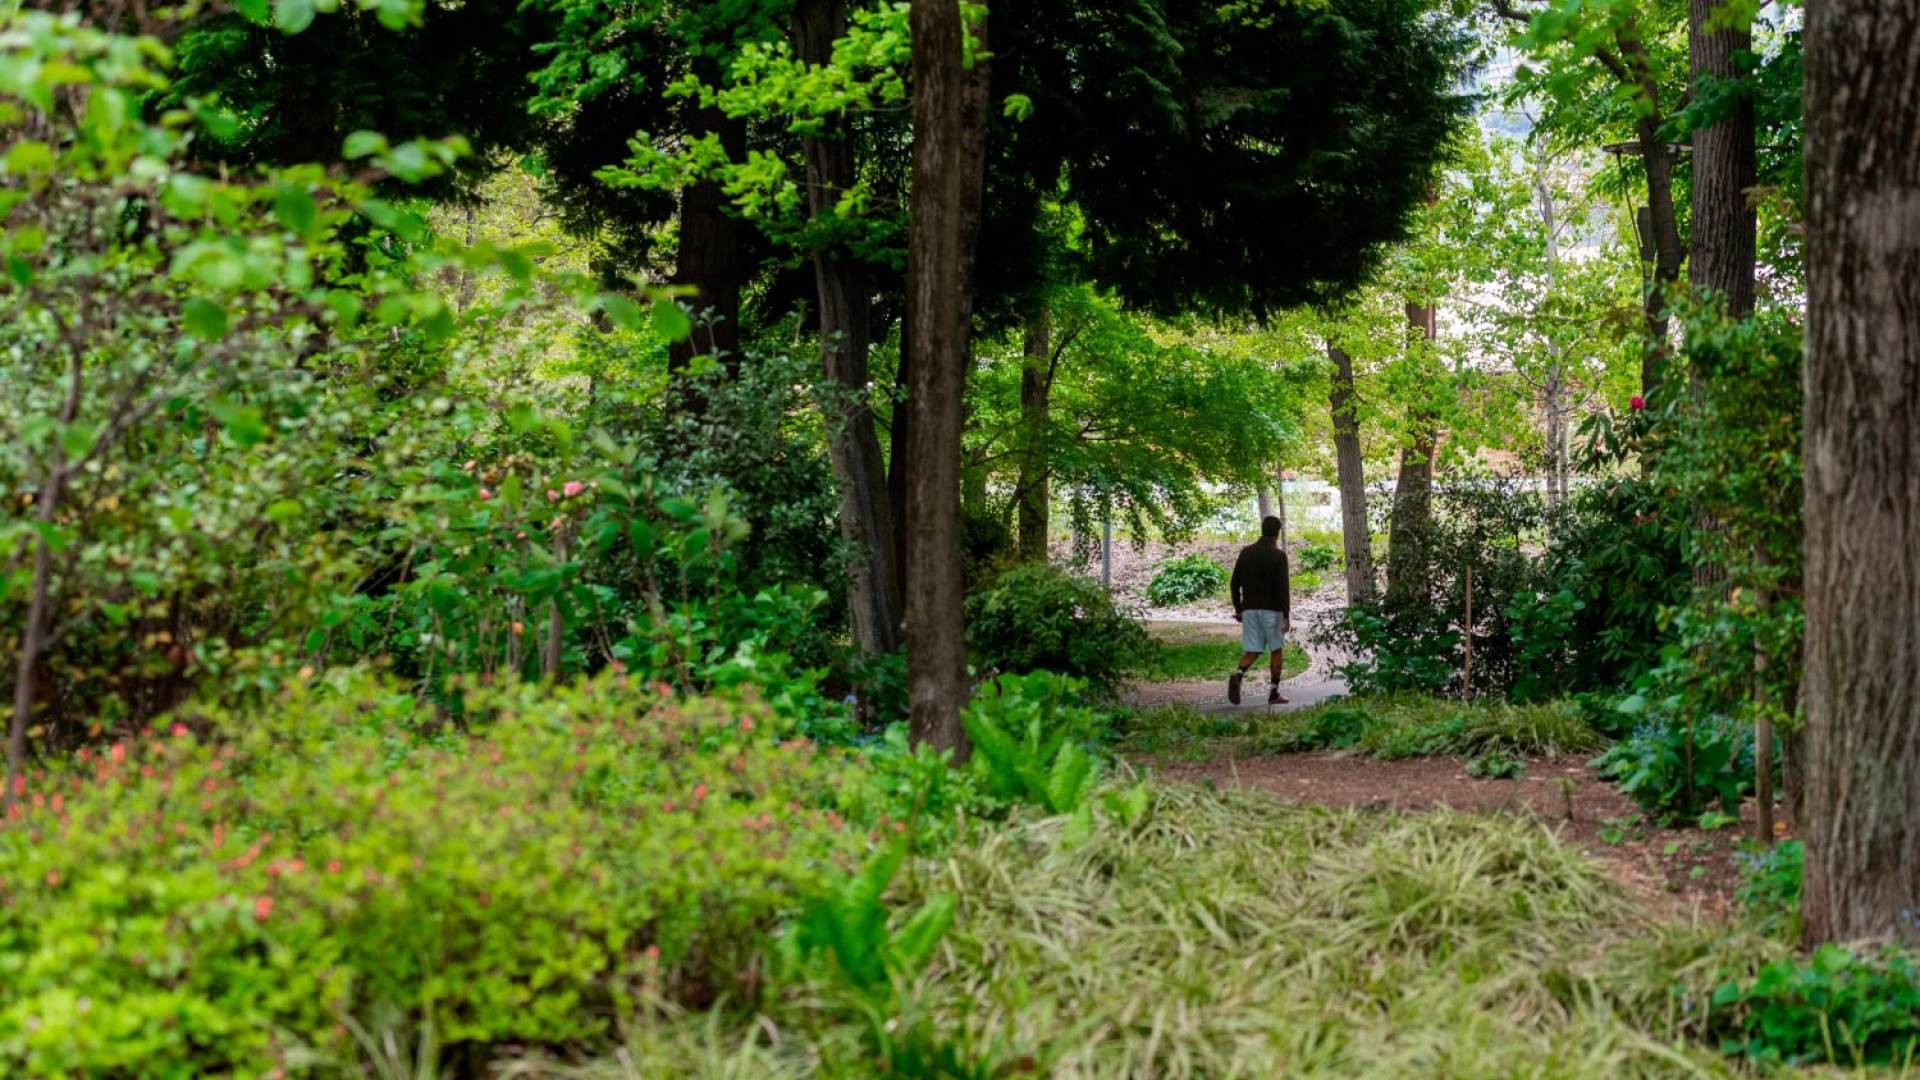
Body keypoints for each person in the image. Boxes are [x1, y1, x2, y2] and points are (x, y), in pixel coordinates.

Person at [1228, 516, 1291, 705]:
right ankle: (1273, 693)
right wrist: (1286, 616)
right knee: (1276, 650)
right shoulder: (1279, 556)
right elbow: (1282, 589)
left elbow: (1234, 584)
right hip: (1271, 610)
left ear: (1262, 529)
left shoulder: (1246, 553)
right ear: (1277, 532)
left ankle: (1238, 675)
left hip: (1249, 609)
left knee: (1252, 650)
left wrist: (1239, 608)